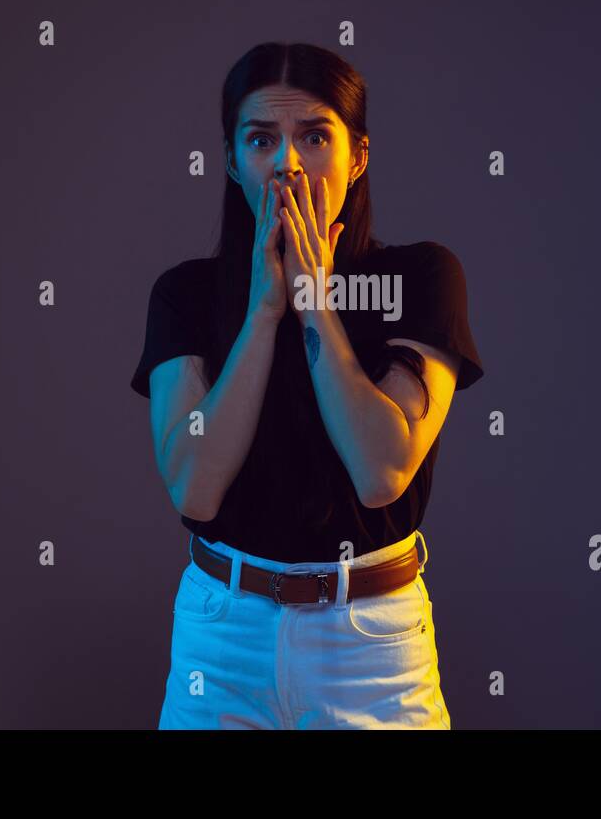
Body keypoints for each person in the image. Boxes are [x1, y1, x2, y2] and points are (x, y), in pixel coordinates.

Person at [130, 42, 484, 729]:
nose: (288, 163)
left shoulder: (421, 279)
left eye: (315, 137)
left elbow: (381, 470)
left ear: (356, 158)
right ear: (233, 161)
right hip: (222, 631)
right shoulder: (186, 295)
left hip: (371, 645)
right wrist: (265, 311)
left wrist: (315, 300)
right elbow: (194, 487)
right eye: (262, 139)